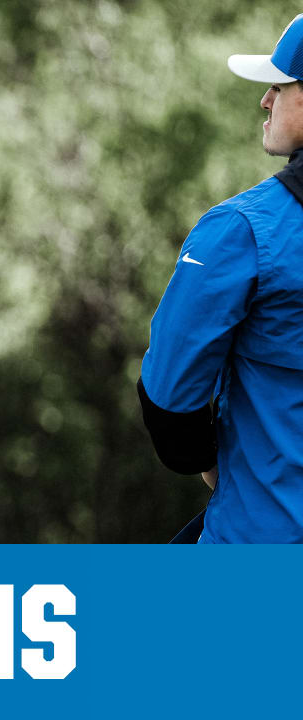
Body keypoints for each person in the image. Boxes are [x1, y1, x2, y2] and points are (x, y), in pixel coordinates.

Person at [138, 14, 303, 543]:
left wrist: (204, 459)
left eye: (280, 85)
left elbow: (168, 399)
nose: (265, 100)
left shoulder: (241, 232)